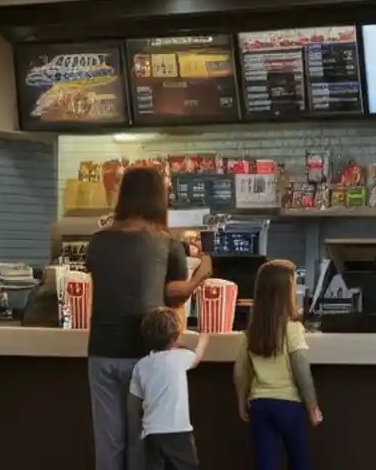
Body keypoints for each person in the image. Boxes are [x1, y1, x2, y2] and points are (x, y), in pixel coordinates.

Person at [87, 168, 213, 470]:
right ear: (159, 198)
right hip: (144, 355)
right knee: (138, 443)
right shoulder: (167, 244)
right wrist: (201, 275)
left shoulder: (98, 241)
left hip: (101, 351)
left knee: (108, 444)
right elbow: (174, 296)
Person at [233, 260, 322, 470]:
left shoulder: (251, 332)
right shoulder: (293, 329)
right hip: (289, 405)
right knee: (299, 460)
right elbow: (301, 367)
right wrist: (312, 405)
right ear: (287, 293)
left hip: (260, 404)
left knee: (265, 463)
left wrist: (241, 399)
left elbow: (240, 371)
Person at [129, 307, 210, 470]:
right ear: (176, 336)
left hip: (151, 433)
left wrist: (136, 429)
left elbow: (133, 403)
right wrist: (204, 339)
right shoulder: (181, 357)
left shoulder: (141, 365)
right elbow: (196, 357)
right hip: (178, 431)